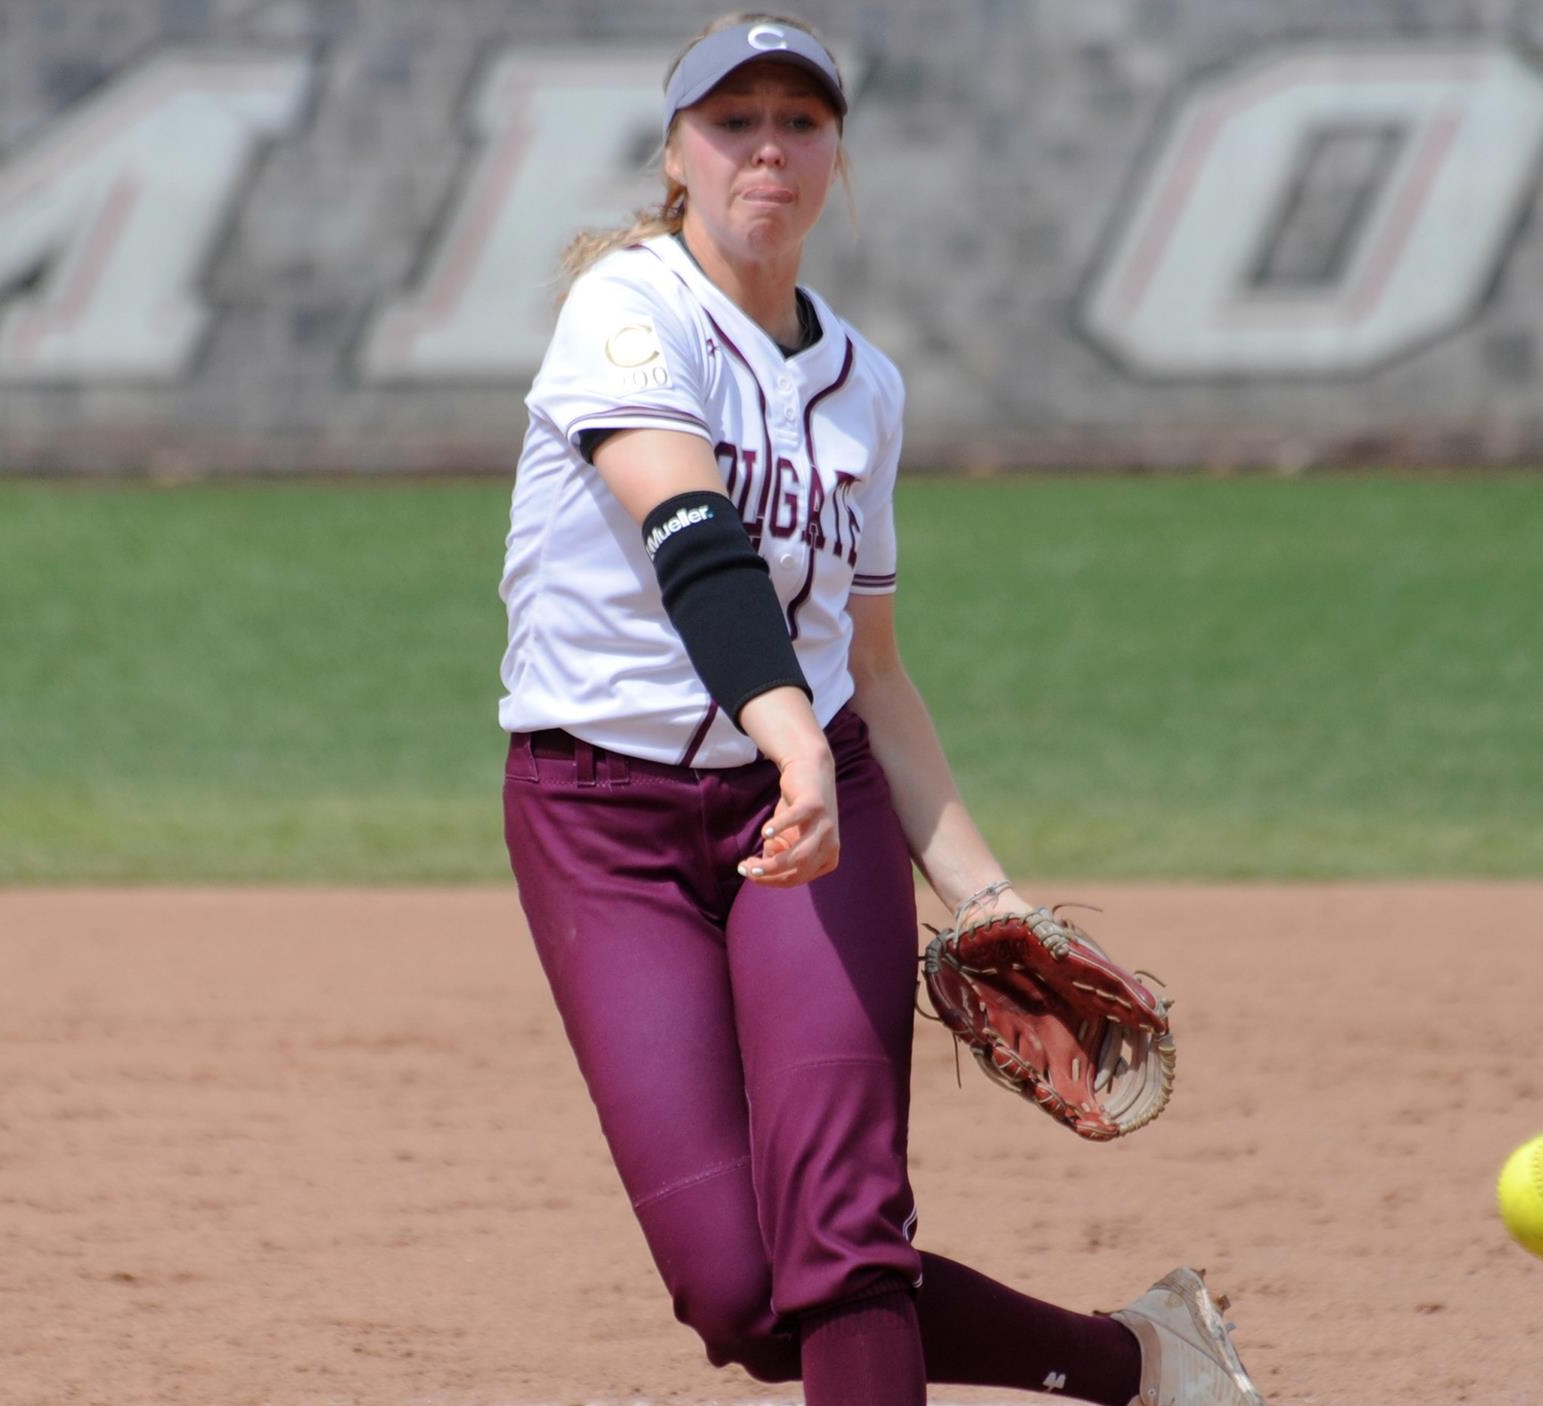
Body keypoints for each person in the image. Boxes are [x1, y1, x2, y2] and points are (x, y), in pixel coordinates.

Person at [497, 13, 1266, 1404]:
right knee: (740, 1292)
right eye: (735, 121)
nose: (769, 147)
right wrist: (783, 721)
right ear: (678, 152)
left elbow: (881, 674)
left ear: (836, 155)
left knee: (845, 1240)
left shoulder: (866, 389)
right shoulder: (629, 309)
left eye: (801, 120)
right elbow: (691, 531)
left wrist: (980, 891)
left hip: (824, 814)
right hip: (601, 828)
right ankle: (1140, 1360)